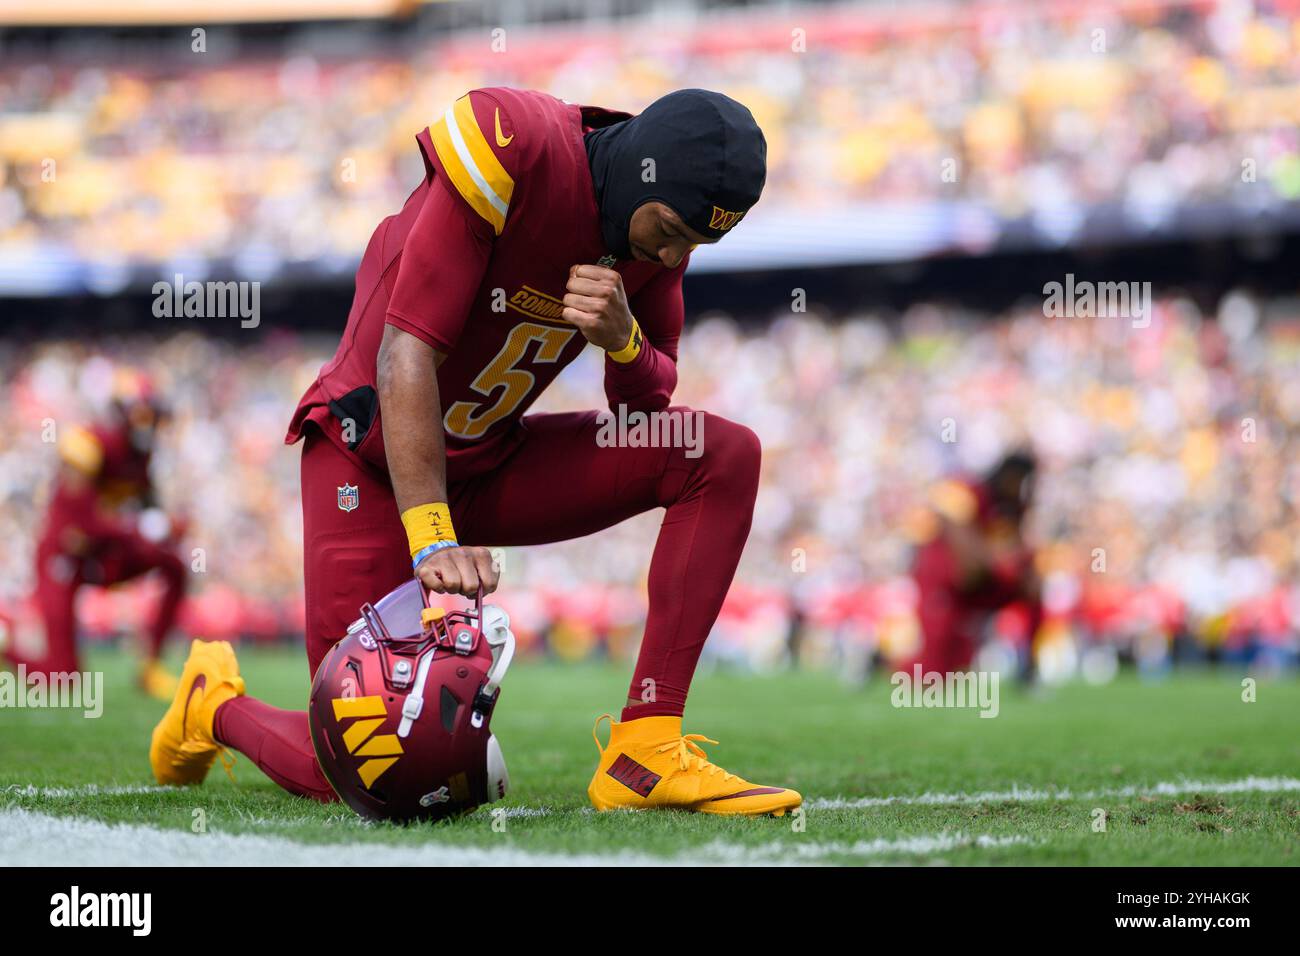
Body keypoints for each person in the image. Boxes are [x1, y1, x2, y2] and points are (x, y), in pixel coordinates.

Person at [151, 87, 801, 815]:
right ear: (643, 172)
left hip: (489, 457)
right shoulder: (513, 146)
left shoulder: (653, 235)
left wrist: (624, 342)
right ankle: (214, 706)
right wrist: (431, 536)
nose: (678, 253)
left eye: (699, 243)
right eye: (675, 229)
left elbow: (643, 410)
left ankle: (645, 749)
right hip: (370, 464)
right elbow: (406, 352)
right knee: (364, 764)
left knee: (721, 454)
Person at [13, 371, 187, 698]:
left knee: (175, 564)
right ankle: (5, 644)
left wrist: (165, 526)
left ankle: (150, 667)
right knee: (63, 680)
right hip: (65, 557)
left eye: (152, 414)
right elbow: (81, 526)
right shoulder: (89, 444)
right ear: (121, 412)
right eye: (141, 413)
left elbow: (146, 512)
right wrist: (144, 528)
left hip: (106, 551)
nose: (147, 423)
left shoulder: (141, 457)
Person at [907, 451, 1042, 676]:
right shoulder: (969, 491)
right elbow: (961, 539)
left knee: (1033, 587)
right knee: (934, 672)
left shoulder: (1013, 508)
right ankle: (882, 661)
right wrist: (996, 560)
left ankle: (1028, 664)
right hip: (945, 583)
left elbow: (1014, 552)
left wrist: (1019, 567)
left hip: (977, 583)